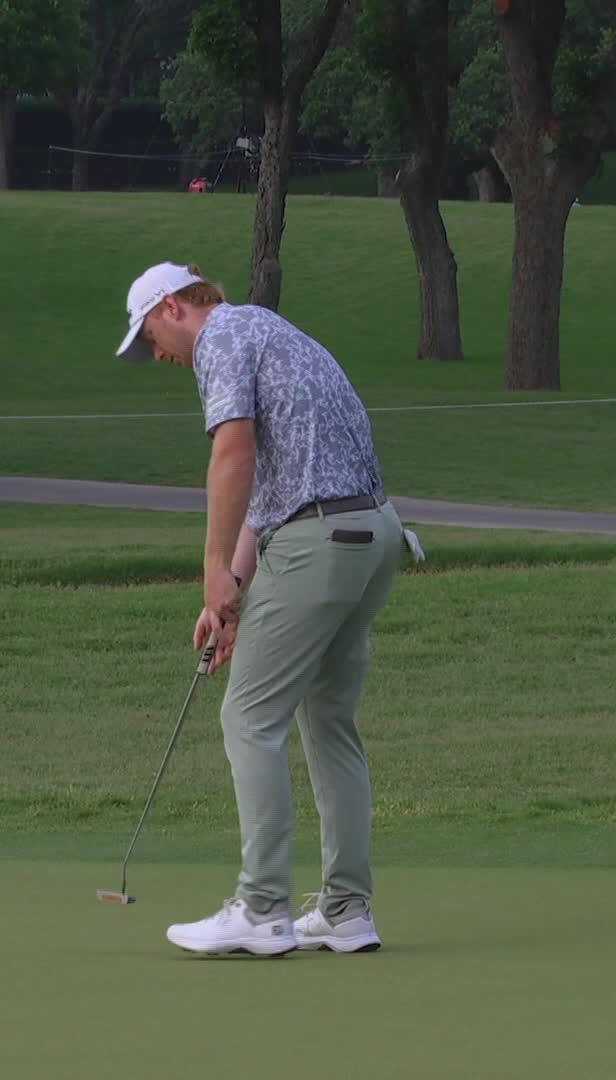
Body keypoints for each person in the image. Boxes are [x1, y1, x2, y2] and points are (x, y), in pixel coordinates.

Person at [113, 262, 423, 958]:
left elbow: (233, 454)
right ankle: (346, 911)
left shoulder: (221, 337)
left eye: (150, 337)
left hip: (319, 541)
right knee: (328, 720)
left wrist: (213, 571)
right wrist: (232, 595)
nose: (155, 355)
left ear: (174, 307)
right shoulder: (270, 330)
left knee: (248, 717)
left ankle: (261, 908)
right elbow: (268, 492)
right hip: (372, 534)